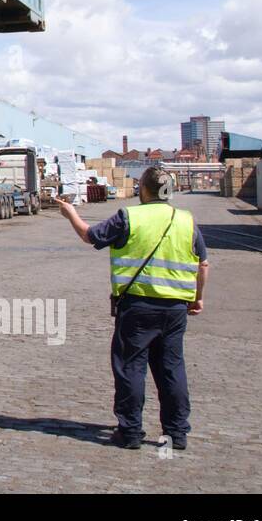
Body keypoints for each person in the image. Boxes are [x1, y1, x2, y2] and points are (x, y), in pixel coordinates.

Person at [57, 167, 209, 451]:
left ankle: (130, 432)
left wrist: (70, 214)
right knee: (172, 368)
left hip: (137, 306)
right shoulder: (186, 220)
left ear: (145, 189)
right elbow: (202, 264)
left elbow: (90, 236)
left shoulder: (130, 216)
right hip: (175, 308)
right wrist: (197, 298)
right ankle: (176, 433)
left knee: (131, 368)